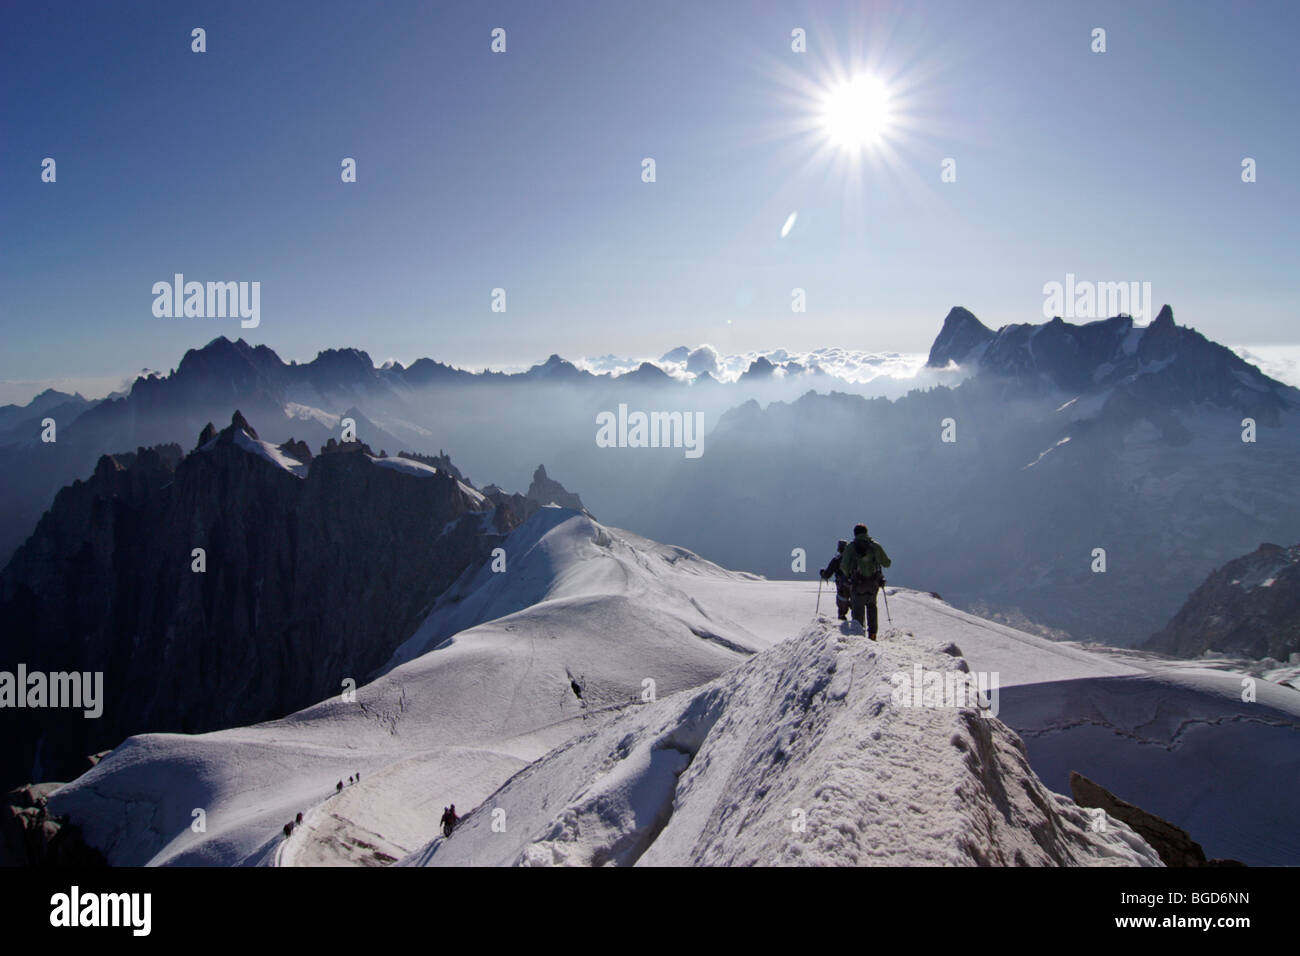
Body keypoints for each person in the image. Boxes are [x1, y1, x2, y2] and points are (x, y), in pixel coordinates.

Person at [839, 523, 891, 640]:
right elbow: (887, 563)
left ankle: (859, 637)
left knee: (858, 611)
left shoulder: (851, 548)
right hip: (873, 584)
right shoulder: (875, 546)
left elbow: (844, 566)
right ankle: (872, 635)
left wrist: (848, 577)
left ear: (855, 533)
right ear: (866, 533)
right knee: (872, 607)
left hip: (857, 584)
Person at [819, 540, 852, 620]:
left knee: (842, 608)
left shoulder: (836, 560)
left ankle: (842, 620)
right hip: (854, 586)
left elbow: (827, 574)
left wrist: (822, 573)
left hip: (842, 587)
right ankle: (858, 624)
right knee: (856, 607)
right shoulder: (853, 559)